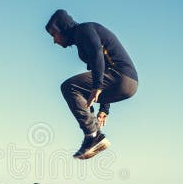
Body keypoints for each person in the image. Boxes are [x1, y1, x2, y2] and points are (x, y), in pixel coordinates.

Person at [46, 9, 139, 160]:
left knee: (69, 87)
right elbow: (100, 71)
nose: (54, 41)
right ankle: (93, 135)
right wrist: (104, 110)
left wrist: (97, 86)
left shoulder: (84, 30)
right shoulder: (81, 42)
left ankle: (93, 135)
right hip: (128, 83)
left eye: (54, 34)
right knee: (83, 92)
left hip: (122, 76)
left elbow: (97, 55)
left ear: (62, 28)